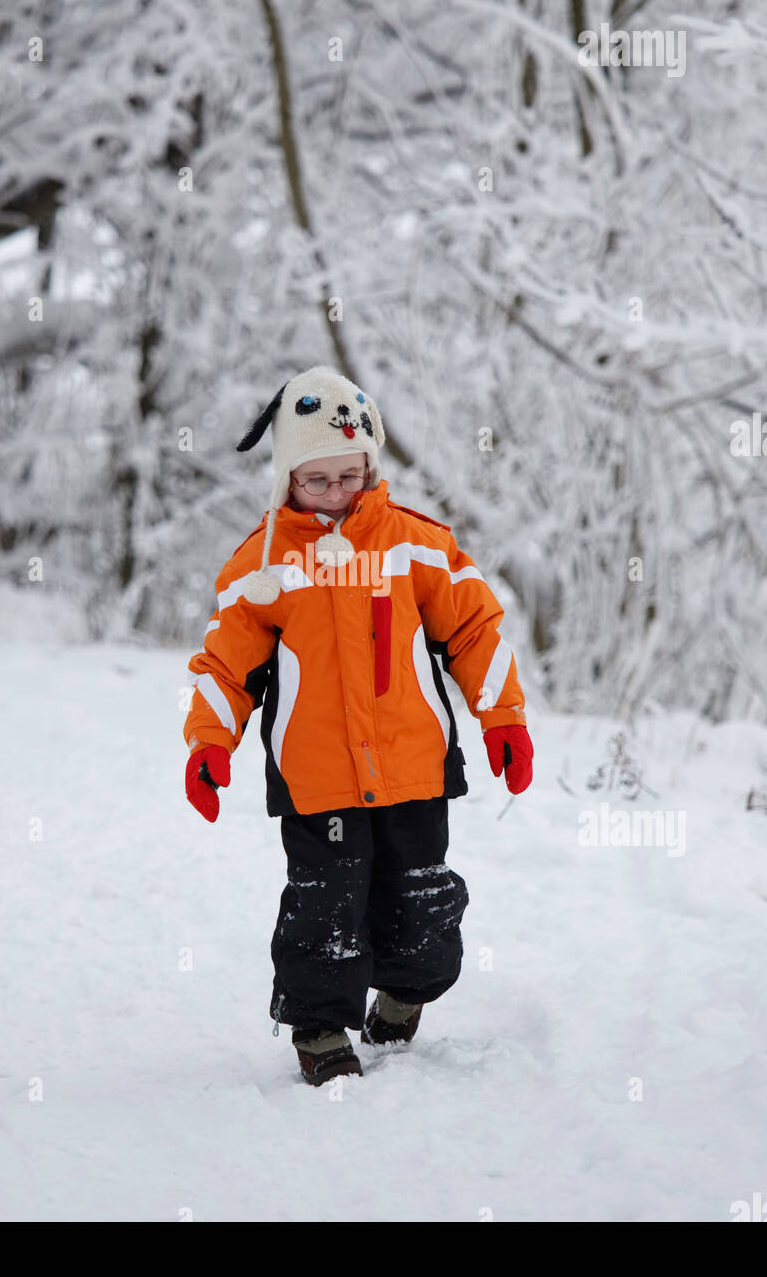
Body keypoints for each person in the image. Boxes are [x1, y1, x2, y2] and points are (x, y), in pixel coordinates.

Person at [182, 366, 533, 1085]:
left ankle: (404, 997)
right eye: (318, 480)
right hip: (318, 781)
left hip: (414, 770)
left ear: (371, 466)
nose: (338, 493)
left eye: (351, 475)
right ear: (287, 479)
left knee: (422, 901)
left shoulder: (416, 546)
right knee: (324, 908)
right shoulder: (265, 564)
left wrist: (503, 716)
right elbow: (225, 665)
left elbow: (474, 629)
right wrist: (209, 743)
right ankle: (320, 1032)